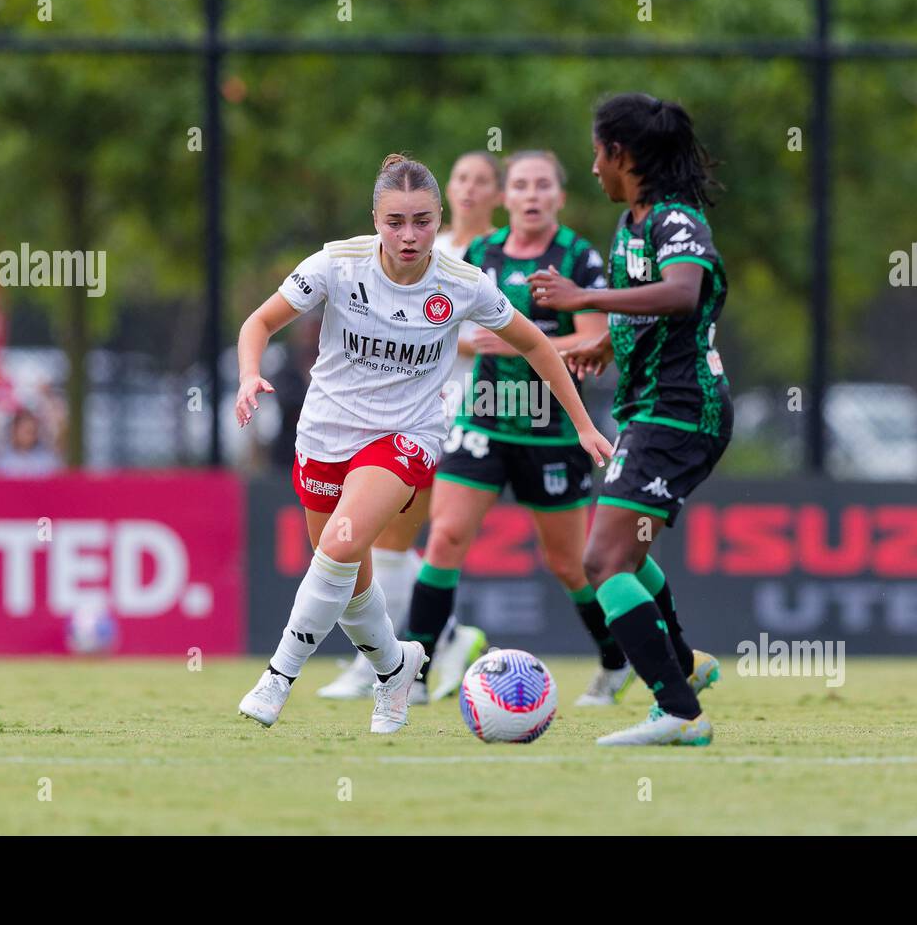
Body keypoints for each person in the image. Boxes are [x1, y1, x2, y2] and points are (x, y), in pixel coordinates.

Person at [235, 153, 612, 734]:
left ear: (440, 219)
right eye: (395, 221)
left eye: (422, 221)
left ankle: (277, 678)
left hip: (406, 437)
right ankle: (396, 667)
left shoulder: (462, 283)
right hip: (325, 433)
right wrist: (247, 374)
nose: (409, 235)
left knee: (339, 545)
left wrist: (585, 425)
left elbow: (537, 345)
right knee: (346, 573)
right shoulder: (337, 264)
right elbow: (258, 323)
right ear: (375, 219)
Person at [534, 93, 731, 746]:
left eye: (598, 151)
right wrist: (605, 339)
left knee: (602, 561)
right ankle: (685, 668)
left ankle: (678, 711)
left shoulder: (677, 222)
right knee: (624, 553)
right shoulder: (633, 225)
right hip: (651, 409)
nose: (593, 166)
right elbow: (651, 312)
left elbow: (683, 293)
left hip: (681, 412)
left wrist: (584, 297)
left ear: (623, 154)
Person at [400, 149, 630, 706]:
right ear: (506, 199)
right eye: (521, 185)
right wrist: (465, 341)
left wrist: (531, 344)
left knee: (569, 564)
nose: (531, 195)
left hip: (551, 428)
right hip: (481, 417)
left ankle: (616, 659)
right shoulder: (478, 253)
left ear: (559, 197)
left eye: (542, 185)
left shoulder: (576, 257)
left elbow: (598, 342)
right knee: (446, 539)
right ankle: (409, 674)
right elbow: (431, 327)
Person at [316, 150, 504, 701]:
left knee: (395, 538)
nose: (471, 188)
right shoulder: (423, 246)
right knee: (383, 539)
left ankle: (397, 656)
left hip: (462, 412)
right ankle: (433, 642)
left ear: (498, 193)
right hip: (401, 409)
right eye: (462, 177)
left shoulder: (492, 258)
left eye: (483, 180)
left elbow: (505, 335)